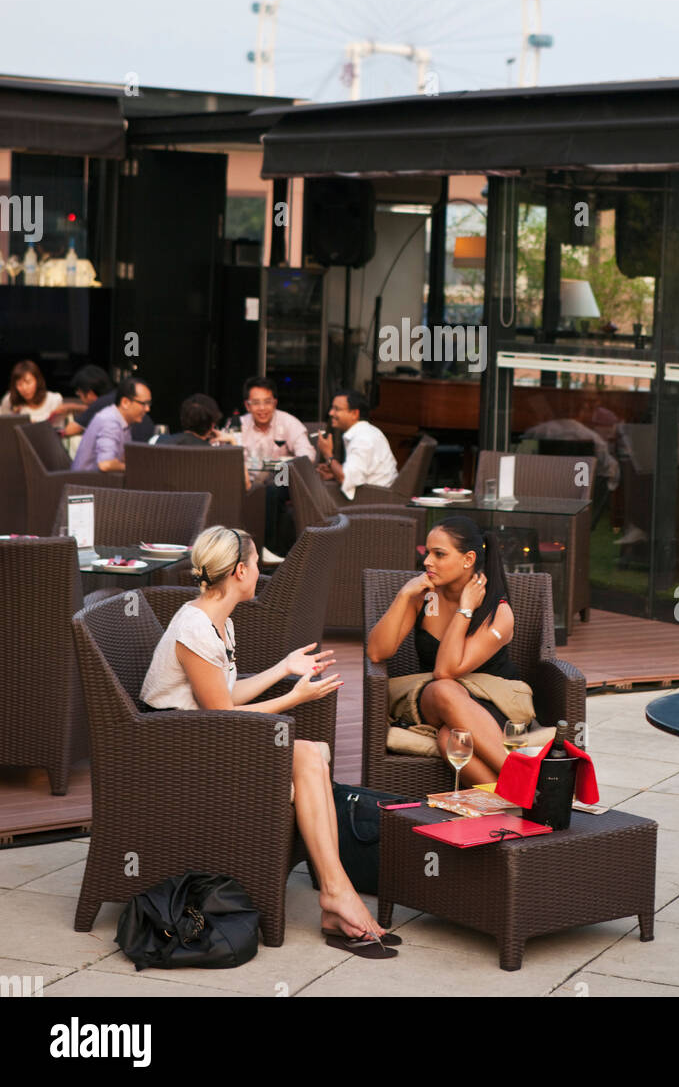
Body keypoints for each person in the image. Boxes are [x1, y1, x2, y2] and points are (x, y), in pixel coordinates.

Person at [140, 524, 396, 956]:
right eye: (258, 564)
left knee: (310, 752)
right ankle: (336, 893)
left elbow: (223, 697)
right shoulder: (195, 630)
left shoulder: (219, 623)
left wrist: (282, 669)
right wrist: (295, 697)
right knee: (305, 755)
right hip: (174, 750)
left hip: (197, 734)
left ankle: (336, 891)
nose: (262, 571)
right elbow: (222, 715)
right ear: (239, 571)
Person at [367, 516, 521, 785]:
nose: (427, 561)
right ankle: (525, 779)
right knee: (444, 689)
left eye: (439, 554)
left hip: (491, 703)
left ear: (468, 559)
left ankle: (513, 800)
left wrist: (465, 609)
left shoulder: (499, 613)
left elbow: (447, 669)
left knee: (451, 738)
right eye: (427, 552)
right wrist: (404, 595)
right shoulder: (424, 597)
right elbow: (378, 653)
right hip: (433, 699)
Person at [316, 390, 397, 501]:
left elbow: (345, 478)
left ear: (354, 414)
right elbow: (355, 474)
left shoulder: (363, 439)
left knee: (310, 495)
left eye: (337, 409)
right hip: (374, 495)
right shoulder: (365, 432)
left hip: (372, 501)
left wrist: (328, 455)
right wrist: (333, 472)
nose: (331, 413)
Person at [71, 376, 152, 472]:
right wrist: (135, 469)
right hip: (84, 484)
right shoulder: (110, 422)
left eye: (149, 404)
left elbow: (122, 458)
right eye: (143, 404)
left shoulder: (123, 420)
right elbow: (106, 464)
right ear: (125, 402)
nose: (147, 409)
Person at [69, 366, 156, 443]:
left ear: (89, 393)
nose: (147, 409)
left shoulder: (103, 407)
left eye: (79, 395)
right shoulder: (114, 399)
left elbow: (69, 430)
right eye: (143, 404)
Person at [239, 377, 315, 463]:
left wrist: (288, 463)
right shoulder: (239, 425)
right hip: (245, 476)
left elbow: (308, 455)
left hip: (281, 475)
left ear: (275, 403)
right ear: (247, 406)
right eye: (256, 403)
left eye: (267, 402)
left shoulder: (289, 422)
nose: (262, 408)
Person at [1, 359, 73, 422]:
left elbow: (58, 430)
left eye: (28, 382)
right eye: (19, 384)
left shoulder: (53, 399)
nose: (24, 388)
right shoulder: (9, 400)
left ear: (37, 381)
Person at [158, 394, 234, 447]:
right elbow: (240, 471)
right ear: (212, 425)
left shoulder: (159, 442)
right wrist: (233, 441)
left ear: (182, 418)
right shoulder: (216, 454)